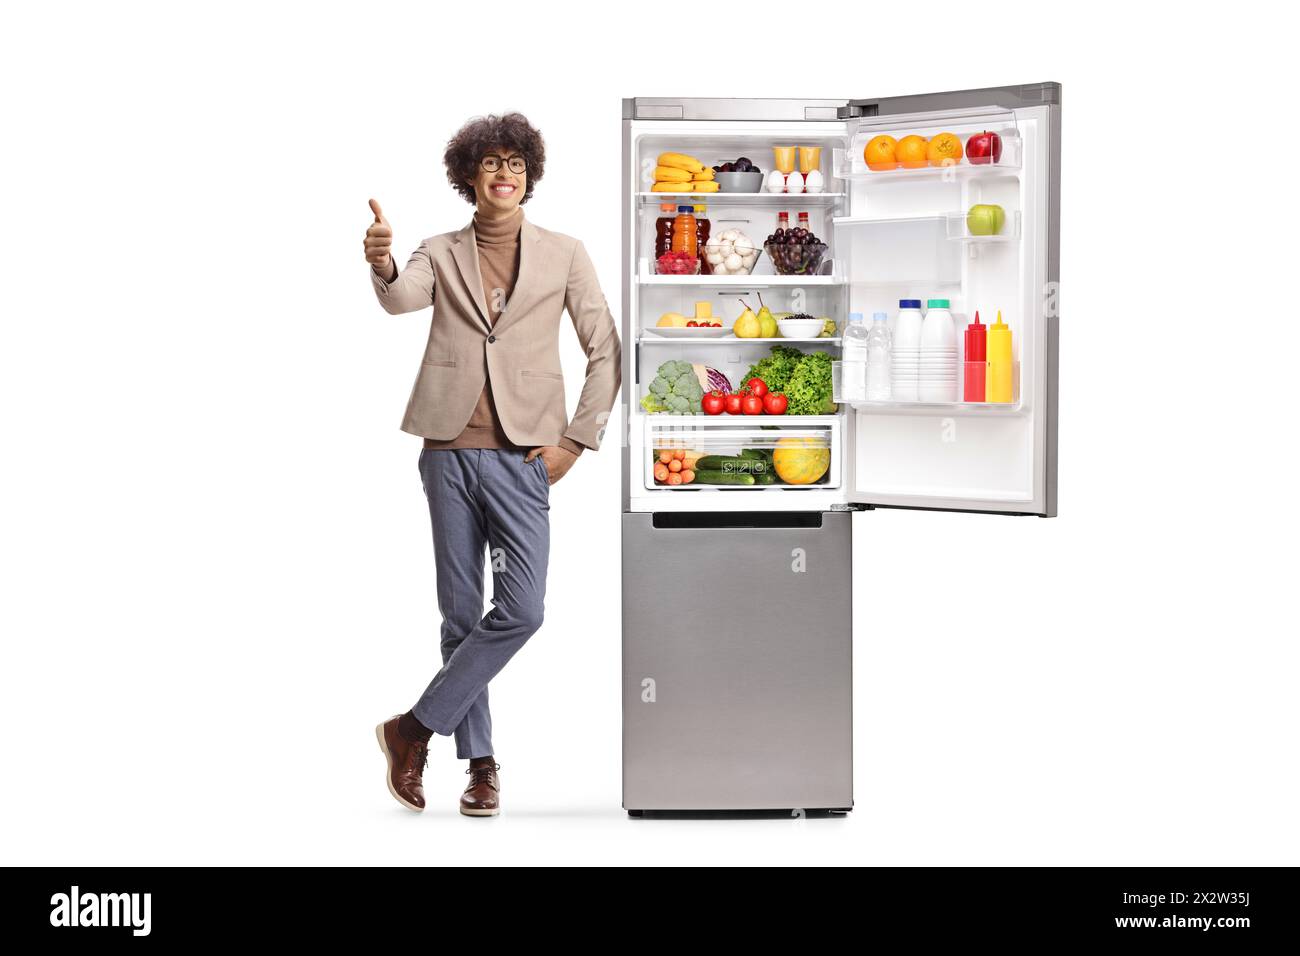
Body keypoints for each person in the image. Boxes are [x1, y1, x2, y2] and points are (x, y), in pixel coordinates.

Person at [364, 112, 621, 816]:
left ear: (529, 175)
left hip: (525, 455)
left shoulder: (565, 253)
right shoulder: (439, 250)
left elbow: (606, 347)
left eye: (515, 163)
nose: (504, 174)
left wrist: (577, 441)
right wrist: (381, 260)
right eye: (490, 164)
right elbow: (400, 299)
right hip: (448, 452)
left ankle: (413, 728)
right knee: (458, 614)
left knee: (521, 610)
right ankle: (480, 767)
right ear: (470, 177)